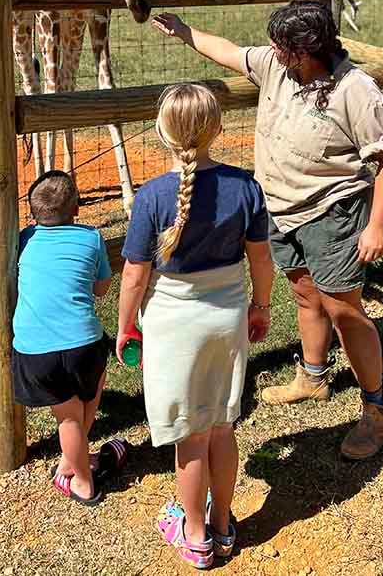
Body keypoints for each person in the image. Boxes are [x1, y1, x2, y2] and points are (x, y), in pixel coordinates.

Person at [152, 0, 383, 461]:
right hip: (281, 209)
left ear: (306, 50)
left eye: (280, 44)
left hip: (332, 209)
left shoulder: (356, 90)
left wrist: (376, 225)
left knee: (343, 308)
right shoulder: (275, 66)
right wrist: (185, 30)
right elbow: (226, 51)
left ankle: (377, 409)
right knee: (306, 295)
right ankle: (312, 376)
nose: (270, 49)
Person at [117, 83, 274, 569]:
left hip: (173, 325)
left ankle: (196, 534)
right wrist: (261, 306)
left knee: (191, 436)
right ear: (218, 130)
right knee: (222, 427)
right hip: (226, 318)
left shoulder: (152, 196)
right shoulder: (245, 187)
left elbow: (135, 274)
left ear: (163, 134)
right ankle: (225, 524)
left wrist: (126, 327)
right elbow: (262, 259)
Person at [11, 170, 127, 506]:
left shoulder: (24, 238)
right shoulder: (91, 238)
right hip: (85, 344)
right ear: (76, 208)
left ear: (34, 213)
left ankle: (71, 460)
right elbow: (102, 289)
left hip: (36, 350)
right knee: (83, 400)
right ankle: (83, 482)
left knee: (68, 414)